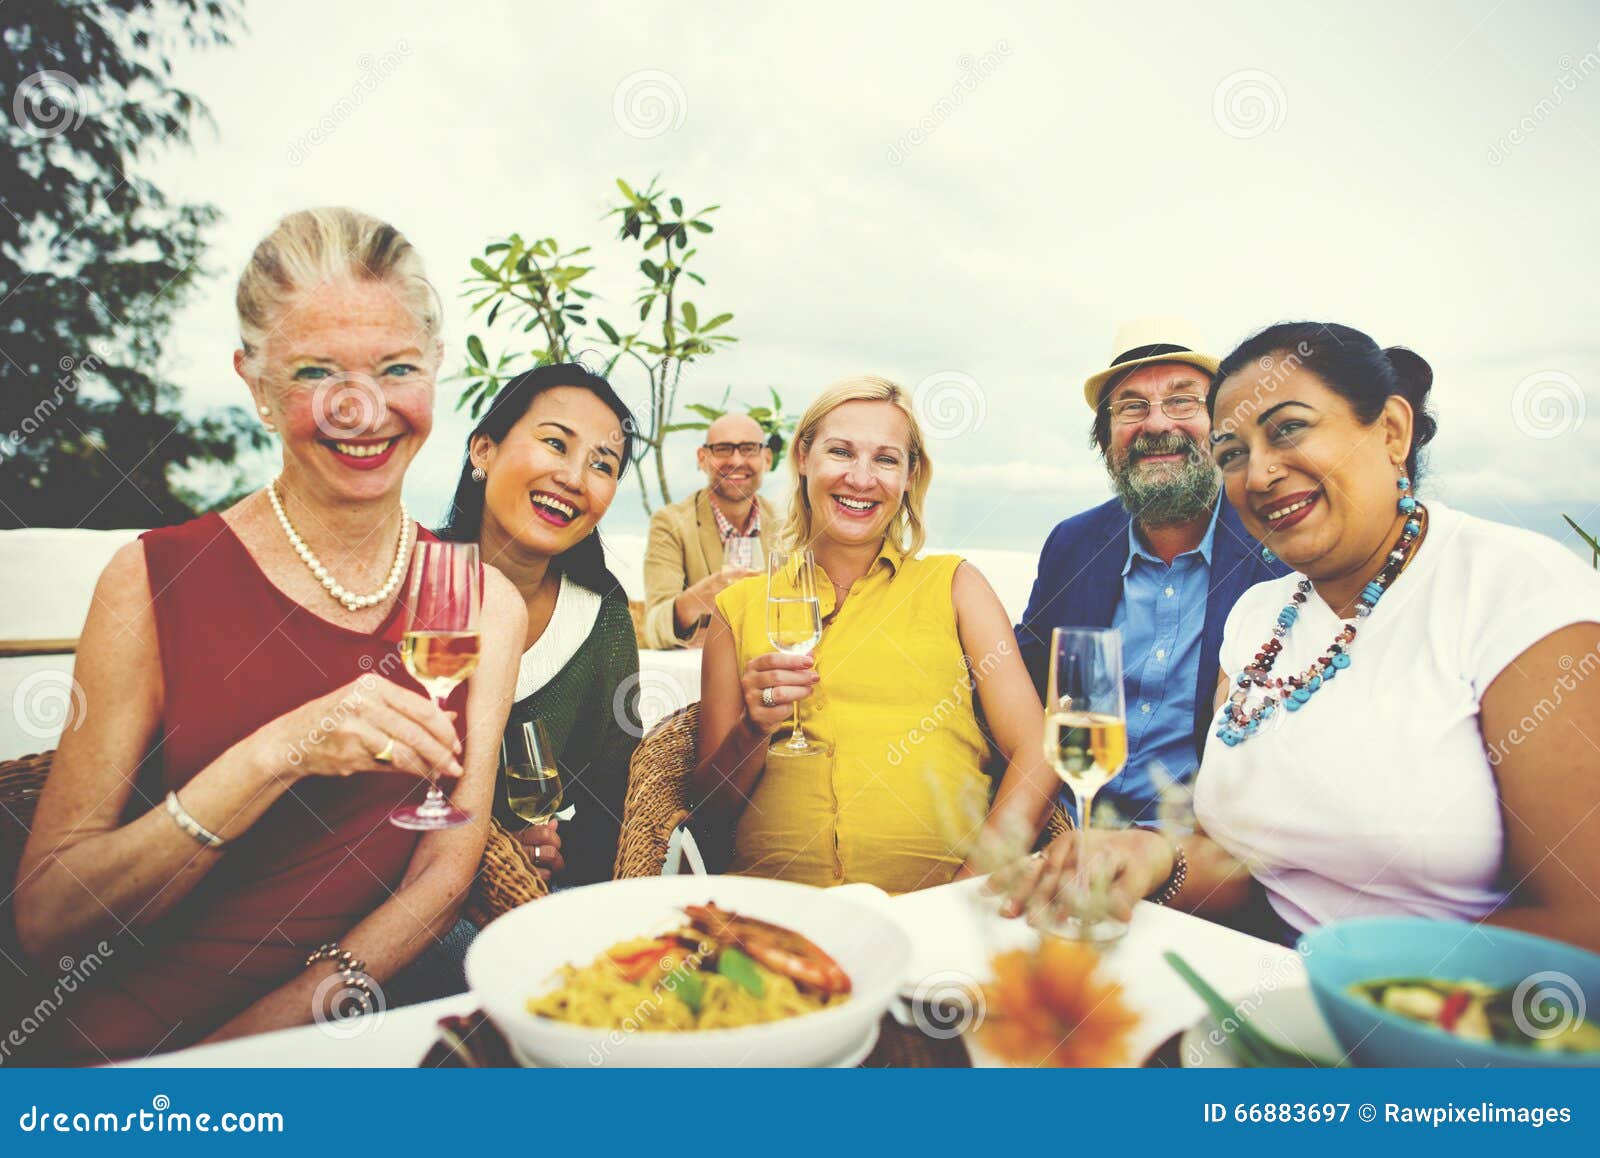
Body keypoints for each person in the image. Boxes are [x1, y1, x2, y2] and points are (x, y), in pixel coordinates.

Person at [10, 208, 525, 1063]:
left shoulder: (484, 601)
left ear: (435, 370)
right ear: (253, 382)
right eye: (315, 372)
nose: (362, 410)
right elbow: (44, 920)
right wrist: (277, 752)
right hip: (126, 1057)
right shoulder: (151, 579)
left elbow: (442, 876)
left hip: (340, 1032)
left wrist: (261, 1043)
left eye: (397, 368)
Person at [1010, 322, 1600, 953]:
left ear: (1393, 432)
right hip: (1240, 977)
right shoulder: (1260, 617)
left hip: (1429, 1024)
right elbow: (1257, 877)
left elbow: (1582, 925)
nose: (1259, 473)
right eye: (1233, 452)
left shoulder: (1517, 590)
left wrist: (1328, 984)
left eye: (1288, 428)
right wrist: (1153, 861)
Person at [695, 376, 1058, 894]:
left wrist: (968, 892)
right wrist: (753, 729)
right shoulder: (738, 608)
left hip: (937, 914)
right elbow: (708, 813)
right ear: (803, 458)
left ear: (911, 476)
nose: (861, 479)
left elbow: (1038, 750)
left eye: (886, 460)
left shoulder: (955, 586)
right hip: (776, 919)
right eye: (840, 452)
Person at [1016, 318, 1284, 826]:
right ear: (1105, 438)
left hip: (1200, 855)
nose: (1157, 425)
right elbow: (1023, 685)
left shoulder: (1279, 555)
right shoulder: (1073, 545)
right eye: (1132, 406)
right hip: (1067, 830)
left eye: (1183, 401)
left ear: (1226, 428)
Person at [438, 363, 641, 887]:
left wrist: (557, 853)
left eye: (602, 465)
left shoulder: (601, 617)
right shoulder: (414, 579)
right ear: (484, 449)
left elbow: (610, 808)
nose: (573, 479)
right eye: (555, 443)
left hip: (524, 902)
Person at [639, 412, 779, 649]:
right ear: (702, 459)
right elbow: (654, 628)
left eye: (748, 449)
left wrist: (712, 635)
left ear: (767, 459)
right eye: (723, 449)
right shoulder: (670, 522)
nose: (736, 461)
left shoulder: (788, 524)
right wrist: (703, 594)